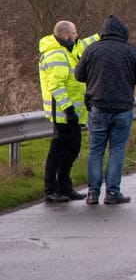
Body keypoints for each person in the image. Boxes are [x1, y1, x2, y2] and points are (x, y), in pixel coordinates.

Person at [74, 15, 136, 205]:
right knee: (117, 150)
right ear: (123, 32)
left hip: (98, 106)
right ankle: (113, 192)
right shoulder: (131, 50)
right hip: (123, 107)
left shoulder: (92, 50)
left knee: (96, 150)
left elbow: (79, 75)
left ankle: (92, 193)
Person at [38, 21, 97, 202]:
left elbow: (85, 44)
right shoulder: (56, 54)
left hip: (73, 114)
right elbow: (56, 85)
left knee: (72, 149)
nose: (77, 36)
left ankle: (65, 186)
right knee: (58, 151)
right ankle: (51, 190)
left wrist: (104, 33)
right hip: (63, 113)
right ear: (65, 35)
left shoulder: (69, 49)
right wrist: (68, 110)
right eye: (74, 33)